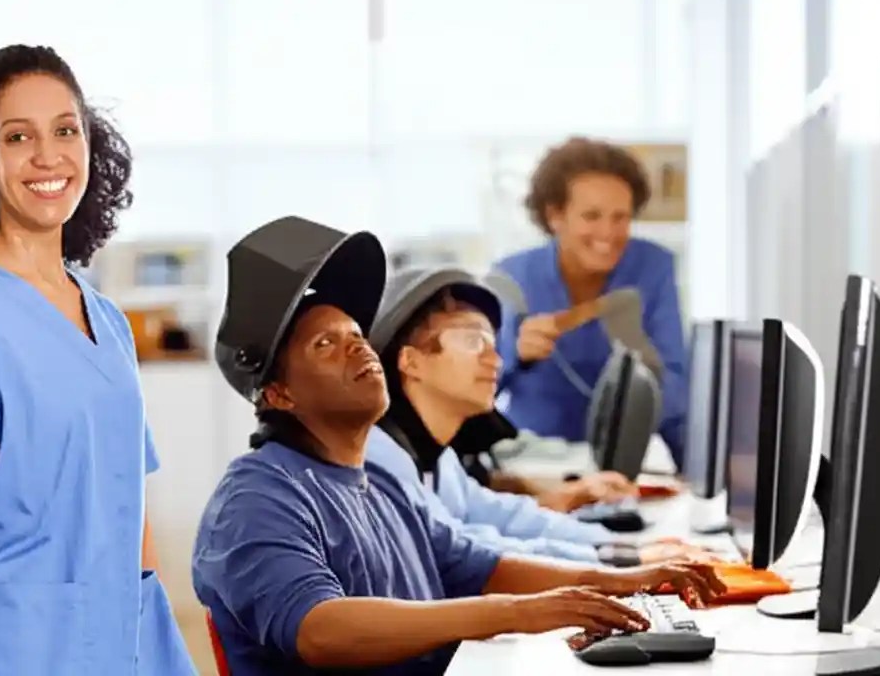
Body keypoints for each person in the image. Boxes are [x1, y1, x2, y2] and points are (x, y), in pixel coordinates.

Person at [192, 215, 724, 676]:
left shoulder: (372, 481)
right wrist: (517, 612)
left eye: (356, 333)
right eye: (327, 344)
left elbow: (482, 564)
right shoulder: (257, 499)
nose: (358, 346)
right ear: (279, 392)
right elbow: (320, 628)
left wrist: (623, 579)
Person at [0, 44, 194, 675]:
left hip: (127, 643)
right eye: (18, 136)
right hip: (17, 649)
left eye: (66, 130)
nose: (48, 156)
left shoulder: (107, 320)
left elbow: (132, 509)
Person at [366, 265, 707, 566]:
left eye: (492, 343)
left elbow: (508, 519)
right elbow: (469, 548)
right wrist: (620, 558)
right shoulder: (382, 463)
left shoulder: (439, 461)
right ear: (410, 361)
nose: (496, 360)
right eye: (472, 340)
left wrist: (616, 545)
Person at [493, 136, 689, 468]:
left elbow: (677, 386)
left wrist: (698, 482)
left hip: (625, 463)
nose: (608, 233)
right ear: (555, 215)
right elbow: (474, 388)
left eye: (621, 217)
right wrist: (516, 353)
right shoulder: (513, 277)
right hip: (535, 464)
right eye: (591, 216)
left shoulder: (653, 267)